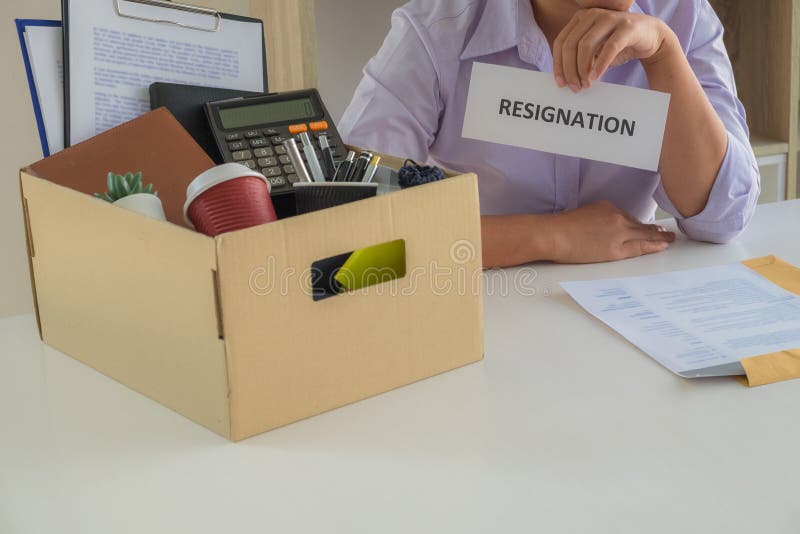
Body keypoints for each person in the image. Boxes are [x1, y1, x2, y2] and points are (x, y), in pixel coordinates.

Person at [339, 0, 760, 267]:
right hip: (483, 296)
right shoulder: (436, 29)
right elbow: (348, 227)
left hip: (630, 299)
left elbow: (721, 218)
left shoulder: (683, 18)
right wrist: (548, 236)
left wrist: (664, 56)